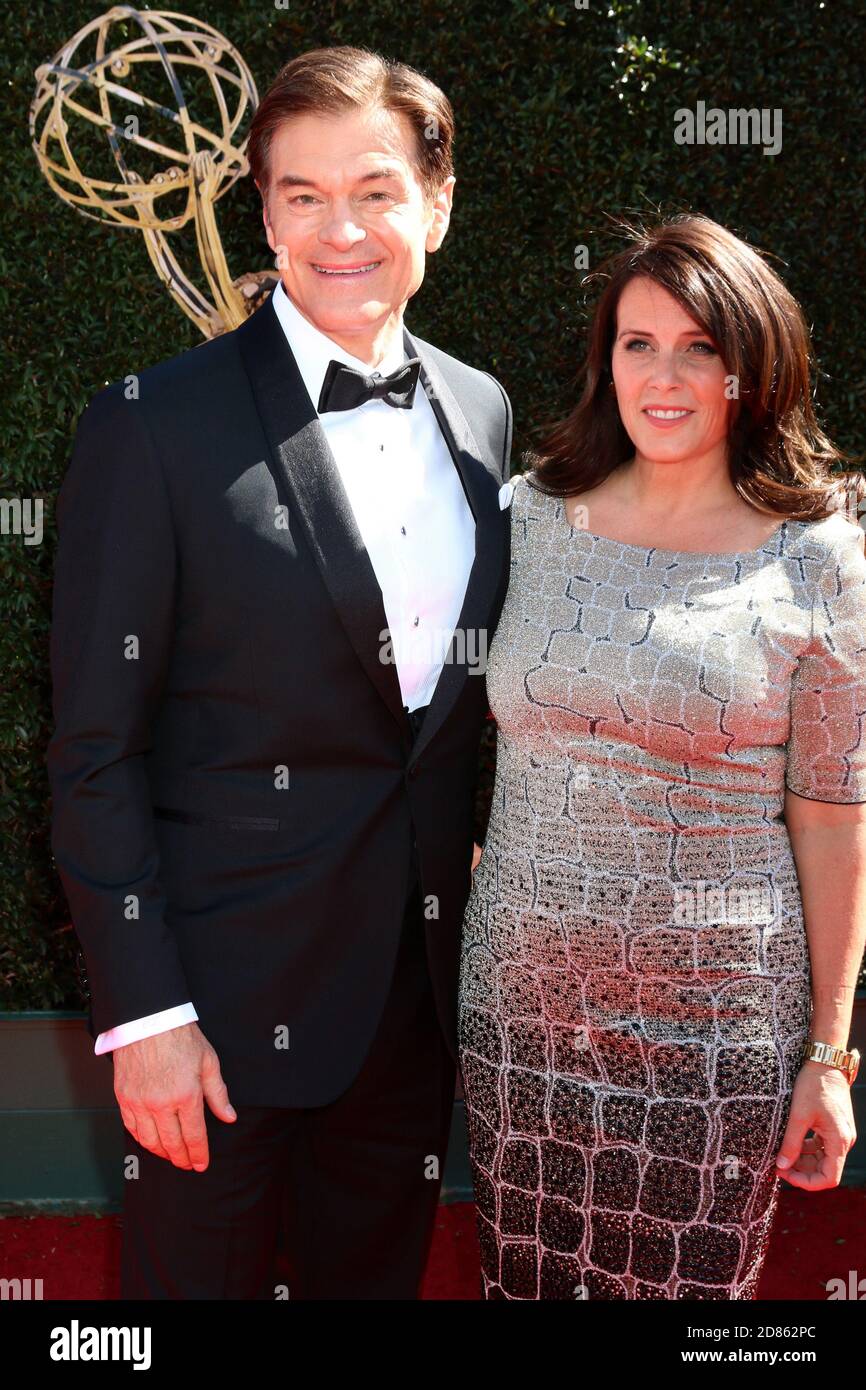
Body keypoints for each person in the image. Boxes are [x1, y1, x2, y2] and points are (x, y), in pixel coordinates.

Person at [47, 45, 512, 1299]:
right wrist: (144, 1018)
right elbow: (94, 751)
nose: (339, 228)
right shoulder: (150, 423)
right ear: (264, 214)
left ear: (437, 204)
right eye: (299, 195)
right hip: (211, 1021)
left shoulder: (483, 415)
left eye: (373, 188)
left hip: (409, 1019)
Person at [459, 213, 866, 1300]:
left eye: (699, 347)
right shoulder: (532, 517)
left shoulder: (819, 554)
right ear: (606, 362)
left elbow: (832, 815)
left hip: (717, 1031)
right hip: (523, 1018)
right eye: (637, 343)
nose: (664, 375)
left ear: (752, 366)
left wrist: (828, 1056)